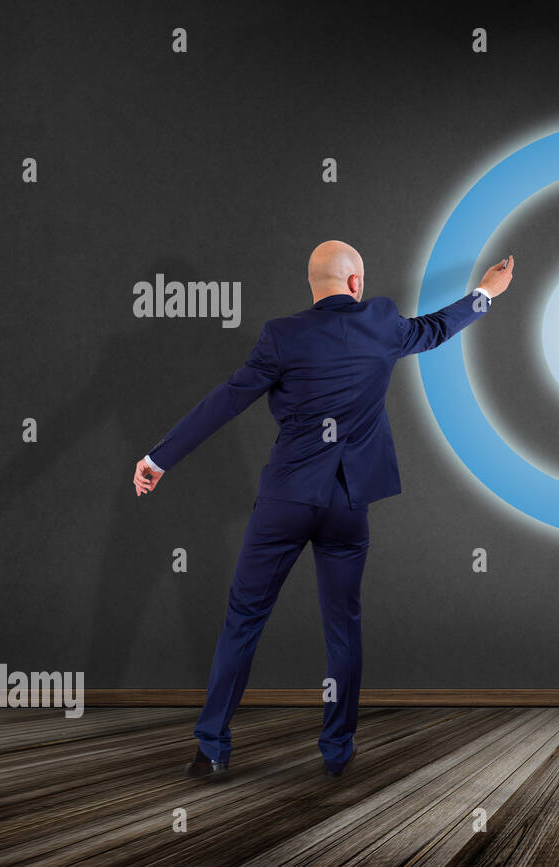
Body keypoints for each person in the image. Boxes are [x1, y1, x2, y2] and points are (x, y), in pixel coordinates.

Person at [133, 241, 514, 778]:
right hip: (348, 504)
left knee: (243, 619)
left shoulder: (281, 337)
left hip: (286, 501)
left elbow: (226, 400)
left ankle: (212, 748)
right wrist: (485, 292)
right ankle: (337, 752)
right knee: (343, 625)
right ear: (356, 283)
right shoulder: (381, 322)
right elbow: (435, 329)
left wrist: (158, 458)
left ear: (314, 288)